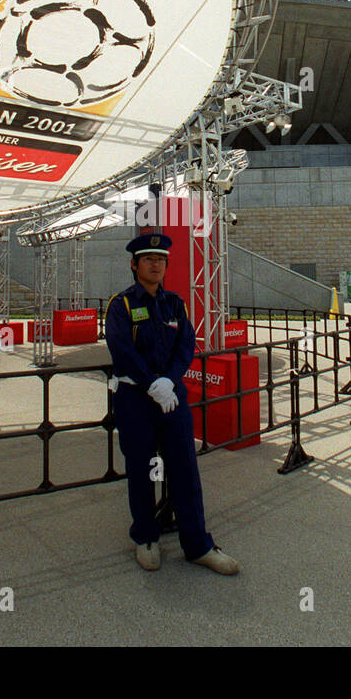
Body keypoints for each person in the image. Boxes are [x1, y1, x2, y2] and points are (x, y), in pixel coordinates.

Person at [103, 231, 239, 575]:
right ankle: (146, 538)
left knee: (184, 467)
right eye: (149, 259)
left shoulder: (174, 303)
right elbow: (122, 350)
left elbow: (185, 346)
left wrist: (169, 381)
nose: (155, 265)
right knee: (142, 467)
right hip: (136, 397)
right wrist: (152, 384)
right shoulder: (120, 305)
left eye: (161, 260)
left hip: (172, 395)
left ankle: (198, 545)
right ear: (134, 265)